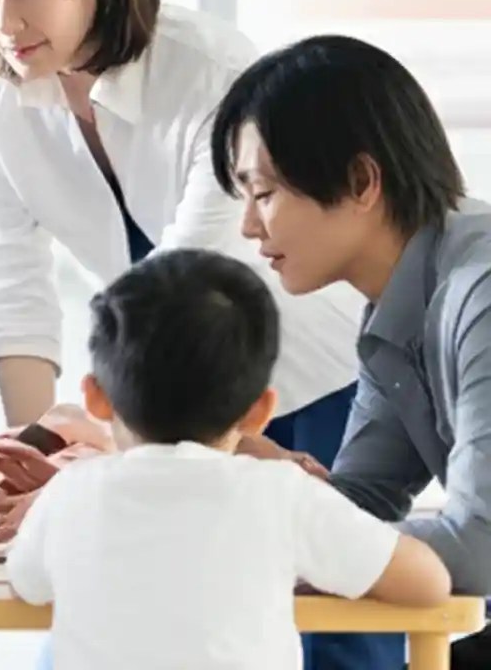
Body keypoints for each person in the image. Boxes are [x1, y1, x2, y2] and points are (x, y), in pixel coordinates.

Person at [0, 0, 397, 665]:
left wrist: (67, 455)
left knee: (340, 633)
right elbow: (13, 294)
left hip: (309, 380)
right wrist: (19, 456)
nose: (7, 22)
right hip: (161, 389)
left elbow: (186, 284)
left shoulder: (211, 72)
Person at [7, 247, 452, 670]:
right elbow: (429, 583)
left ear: (95, 399)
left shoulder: (70, 492)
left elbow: (27, 583)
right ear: (260, 411)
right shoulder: (282, 493)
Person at [212, 33, 491, 669]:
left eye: (263, 192)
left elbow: (479, 550)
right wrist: (256, 472)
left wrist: (276, 537)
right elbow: (360, 504)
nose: (249, 226)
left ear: (362, 180)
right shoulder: (397, 302)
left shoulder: (481, 291)